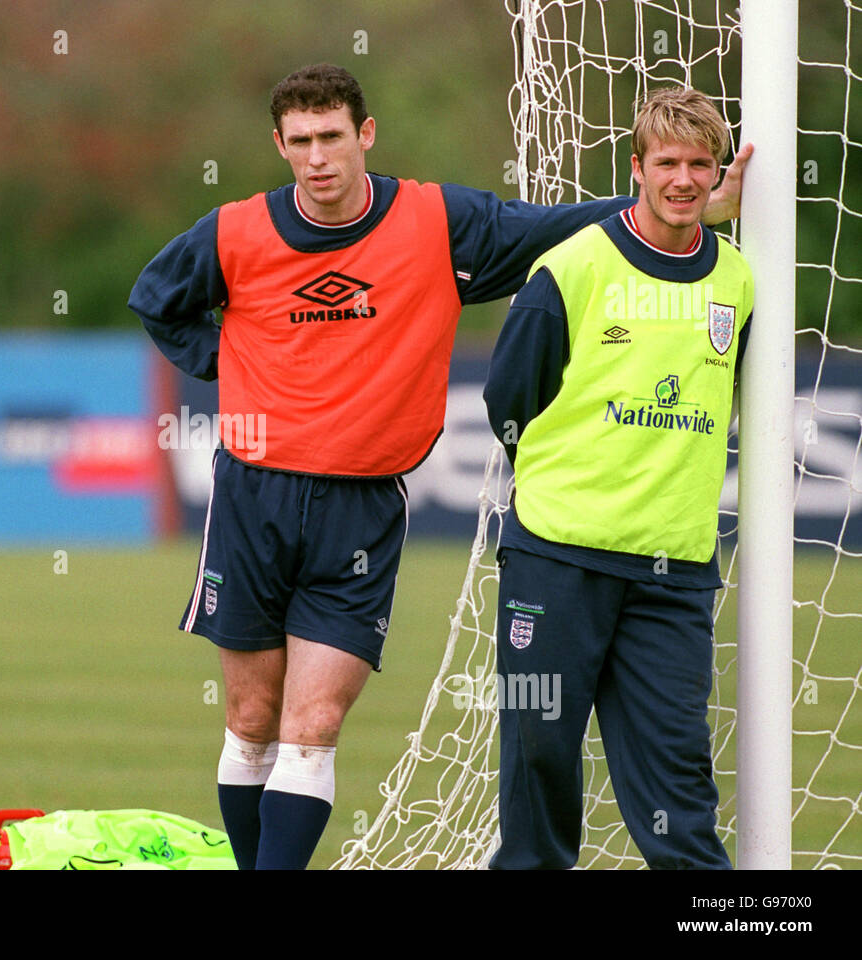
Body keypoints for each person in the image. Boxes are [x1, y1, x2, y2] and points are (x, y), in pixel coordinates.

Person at [129, 65, 748, 869]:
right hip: (253, 497)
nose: (319, 158)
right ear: (279, 146)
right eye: (302, 142)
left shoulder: (435, 220)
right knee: (251, 719)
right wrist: (229, 360)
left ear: (366, 135)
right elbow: (156, 297)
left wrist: (675, 204)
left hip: (364, 506)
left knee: (311, 727)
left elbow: (550, 229)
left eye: (334, 138)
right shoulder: (234, 231)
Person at [483, 86, 753, 869]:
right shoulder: (570, 269)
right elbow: (509, 399)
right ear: (636, 166)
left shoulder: (736, 280)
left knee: (679, 786)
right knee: (538, 761)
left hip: (672, 578)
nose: (683, 179)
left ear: (716, 174)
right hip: (557, 563)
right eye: (666, 161)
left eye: (700, 164)